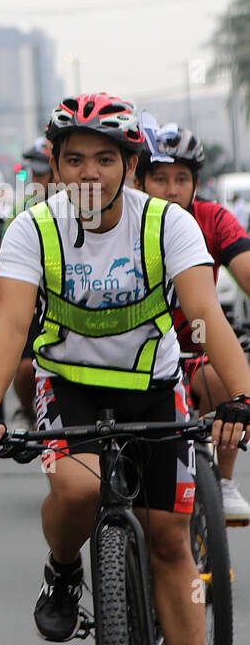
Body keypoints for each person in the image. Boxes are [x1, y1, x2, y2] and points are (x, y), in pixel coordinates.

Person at [0, 93, 248, 645]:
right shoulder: (34, 228)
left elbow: (205, 314)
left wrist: (241, 395)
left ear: (131, 165)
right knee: (79, 492)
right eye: (74, 158)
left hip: (155, 389)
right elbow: (9, 323)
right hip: (70, 388)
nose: (90, 172)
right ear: (55, 165)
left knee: (173, 539)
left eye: (106, 159)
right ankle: (63, 570)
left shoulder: (166, 226)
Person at [135, 122, 250, 522]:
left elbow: (245, 269)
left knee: (225, 381)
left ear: (196, 183)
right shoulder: (127, 221)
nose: (171, 189)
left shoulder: (213, 219)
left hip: (196, 347)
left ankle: (224, 481)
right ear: (139, 180)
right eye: (160, 178)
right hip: (137, 357)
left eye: (181, 178)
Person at [8, 140, 56, 426]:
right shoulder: (22, 209)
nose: (38, 180)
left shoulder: (88, 203)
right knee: (25, 369)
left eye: (44, 173)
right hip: (33, 298)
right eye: (34, 174)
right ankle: (28, 412)